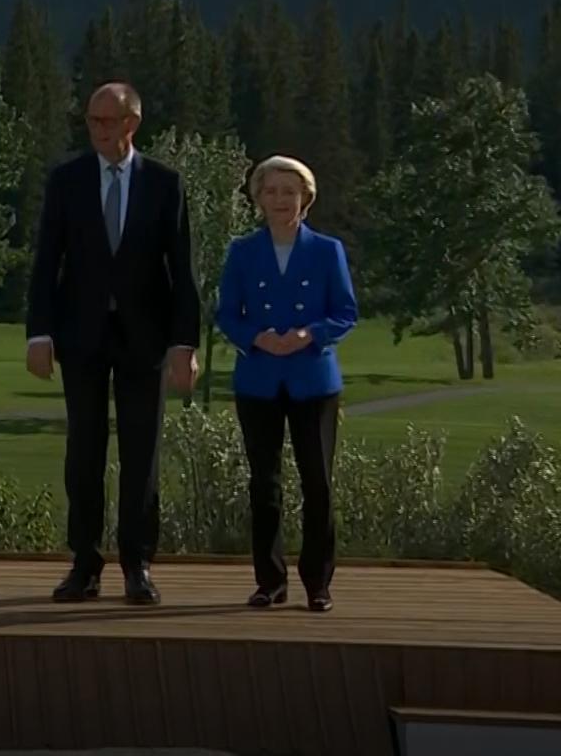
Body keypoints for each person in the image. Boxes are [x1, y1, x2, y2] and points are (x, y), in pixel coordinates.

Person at [26, 83, 200, 606]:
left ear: (132, 123)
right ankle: (84, 563)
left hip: (145, 338)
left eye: (108, 120)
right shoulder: (67, 180)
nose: (98, 129)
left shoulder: (164, 183)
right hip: (80, 336)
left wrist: (184, 343)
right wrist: (39, 333)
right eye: (92, 120)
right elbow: (46, 261)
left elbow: (182, 268)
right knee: (84, 450)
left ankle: (137, 564)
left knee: (141, 453)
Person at [216, 155, 357, 613]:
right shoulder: (242, 251)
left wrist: (308, 335)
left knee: (318, 484)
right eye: (271, 191)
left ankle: (318, 583)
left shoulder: (327, 250)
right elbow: (226, 313)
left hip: (312, 379)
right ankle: (270, 581)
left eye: (289, 192)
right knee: (264, 484)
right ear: (258, 198)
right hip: (259, 379)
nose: (280, 200)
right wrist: (255, 337)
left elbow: (345, 312)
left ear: (306, 198)